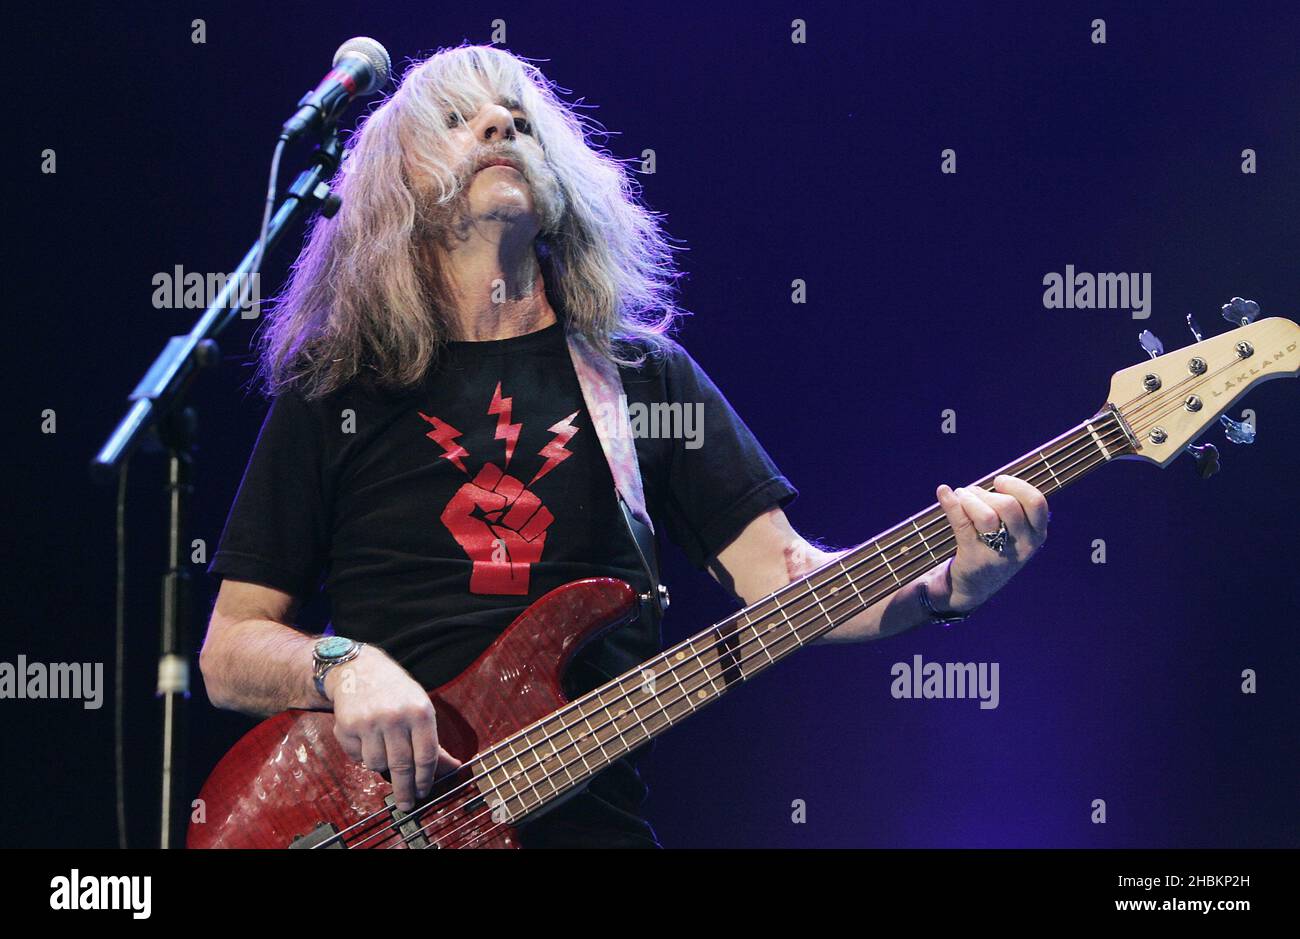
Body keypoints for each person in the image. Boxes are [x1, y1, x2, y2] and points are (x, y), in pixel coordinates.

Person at [199, 44, 1049, 848]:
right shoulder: (342, 388)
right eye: (459, 119)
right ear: (397, 183)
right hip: (368, 818)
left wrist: (947, 585)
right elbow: (230, 648)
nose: (499, 127)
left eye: (520, 120)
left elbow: (787, 580)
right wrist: (345, 666)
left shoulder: (641, 379)